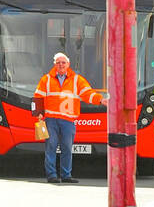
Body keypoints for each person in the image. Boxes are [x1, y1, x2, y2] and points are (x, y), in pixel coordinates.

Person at [33, 51, 106, 184]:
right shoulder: (46, 79)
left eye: (63, 63)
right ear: (54, 65)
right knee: (51, 147)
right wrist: (38, 113)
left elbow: (87, 94)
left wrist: (101, 100)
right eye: (58, 63)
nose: (61, 65)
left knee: (67, 147)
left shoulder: (77, 80)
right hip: (51, 120)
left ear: (68, 64)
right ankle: (52, 176)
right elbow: (38, 96)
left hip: (68, 120)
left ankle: (66, 175)